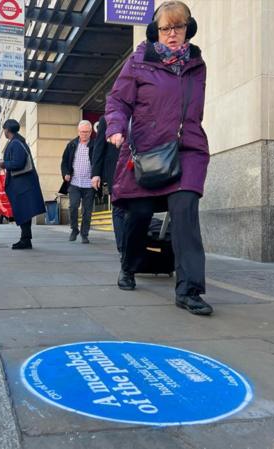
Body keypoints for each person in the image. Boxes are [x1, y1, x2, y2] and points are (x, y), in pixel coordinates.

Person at [105, 1, 213, 316]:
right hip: (147, 150)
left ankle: (189, 290)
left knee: (185, 212)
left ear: (188, 29)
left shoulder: (197, 64)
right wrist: (115, 127)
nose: (172, 34)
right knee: (139, 215)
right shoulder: (139, 61)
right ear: (156, 31)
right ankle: (129, 265)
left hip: (187, 149)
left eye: (178, 27)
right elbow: (118, 100)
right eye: (166, 28)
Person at [0, 119, 46, 250]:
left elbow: (18, 163)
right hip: (23, 183)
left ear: (7, 130)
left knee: (23, 211)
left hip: (21, 184)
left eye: (4, 129)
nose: (4, 132)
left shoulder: (15, 143)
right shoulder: (17, 141)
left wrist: (4, 164)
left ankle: (25, 240)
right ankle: (25, 239)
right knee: (25, 211)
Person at [91, 115, 126, 258]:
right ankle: (123, 249)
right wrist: (96, 174)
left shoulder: (140, 111)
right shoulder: (106, 119)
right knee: (118, 209)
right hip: (115, 171)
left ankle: (134, 246)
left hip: (138, 169)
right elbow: (99, 147)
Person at [60, 120, 96, 244]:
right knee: (73, 206)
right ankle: (74, 229)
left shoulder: (95, 145)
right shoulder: (72, 145)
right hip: (74, 182)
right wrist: (65, 173)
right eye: (82, 132)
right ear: (78, 131)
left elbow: (99, 162)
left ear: (90, 132)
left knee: (87, 210)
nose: (84, 134)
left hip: (89, 184)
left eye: (87, 132)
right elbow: (64, 162)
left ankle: (84, 234)